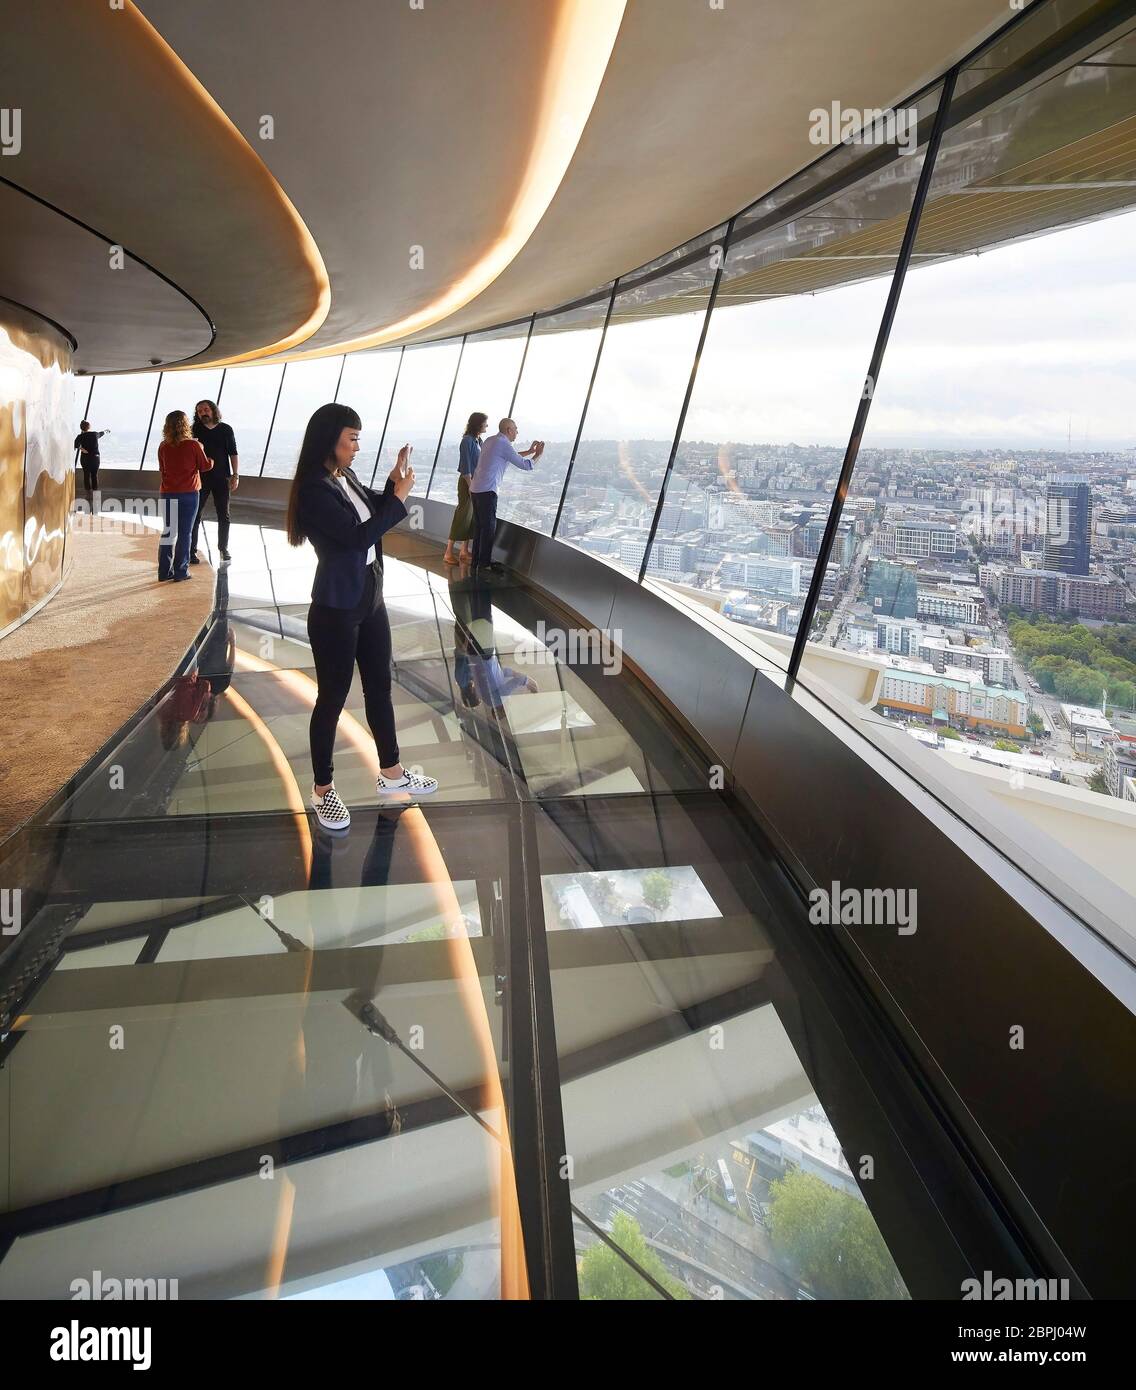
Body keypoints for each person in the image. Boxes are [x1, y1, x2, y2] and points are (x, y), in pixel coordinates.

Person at [286, 402, 439, 832]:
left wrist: (393, 485)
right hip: (336, 608)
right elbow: (357, 538)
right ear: (329, 439)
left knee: (379, 688)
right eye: (351, 439)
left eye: (358, 439)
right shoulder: (315, 488)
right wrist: (401, 500)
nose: (356, 447)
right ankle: (322, 790)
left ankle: (392, 774)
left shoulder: (343, 476)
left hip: (369, 599)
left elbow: (373, 508)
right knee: (332, 699)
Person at [468, 418, 543, 573]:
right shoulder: (503, 444)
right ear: (508, 430)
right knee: (488, 528)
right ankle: (484, 565)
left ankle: (476, 561)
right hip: (487, 491)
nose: (517, 431)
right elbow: (525, 465)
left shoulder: (491, 440)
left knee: (479, 528)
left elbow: (509, 456)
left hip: (475, 489)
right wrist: (538, 455)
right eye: (515, 428)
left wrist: (529, 451)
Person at [157, 410, 211, 582]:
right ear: (185, 425)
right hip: (189, 493)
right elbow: (205, 466)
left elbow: (162, 469)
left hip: (167, 493)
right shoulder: (194, 445)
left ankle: (164, 572)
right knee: (185, 533)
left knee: (168, 532)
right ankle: (181, 572)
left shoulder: (163, 446)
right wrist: (211, 458)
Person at [190, 399, 238, 563]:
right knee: (195, 514)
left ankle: (223, 548)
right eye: (199, 411)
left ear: (213, 410)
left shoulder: (226, 429)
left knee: (224, 515)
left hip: (221, 478)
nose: (203, 412)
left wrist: (235, 475)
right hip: (200, 478)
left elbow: (233, 453)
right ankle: (191, 551)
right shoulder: (194, 429)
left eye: (205, 409)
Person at [443, 412, 487, 565]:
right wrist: (470, 485)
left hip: (475, 483)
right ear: (478, 424)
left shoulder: (478, 440)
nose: (487, 426)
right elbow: (465, 466)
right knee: (462, 515)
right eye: (485, 423)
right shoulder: (467, 441)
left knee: (471, 517)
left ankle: (463, 551)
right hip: (467, 483)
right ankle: (448, 552)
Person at [73, 420, 109, 496]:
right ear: (89, 426)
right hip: (95, 458)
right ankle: (95, 493)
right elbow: (101, 433)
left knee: (86, 475)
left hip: (85, 458)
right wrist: (106, 431)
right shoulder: (94, 434)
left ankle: (88, 494)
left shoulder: (80, 436)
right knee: (94, 475)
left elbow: (75, 445)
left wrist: (82, 449)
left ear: (81, 428)